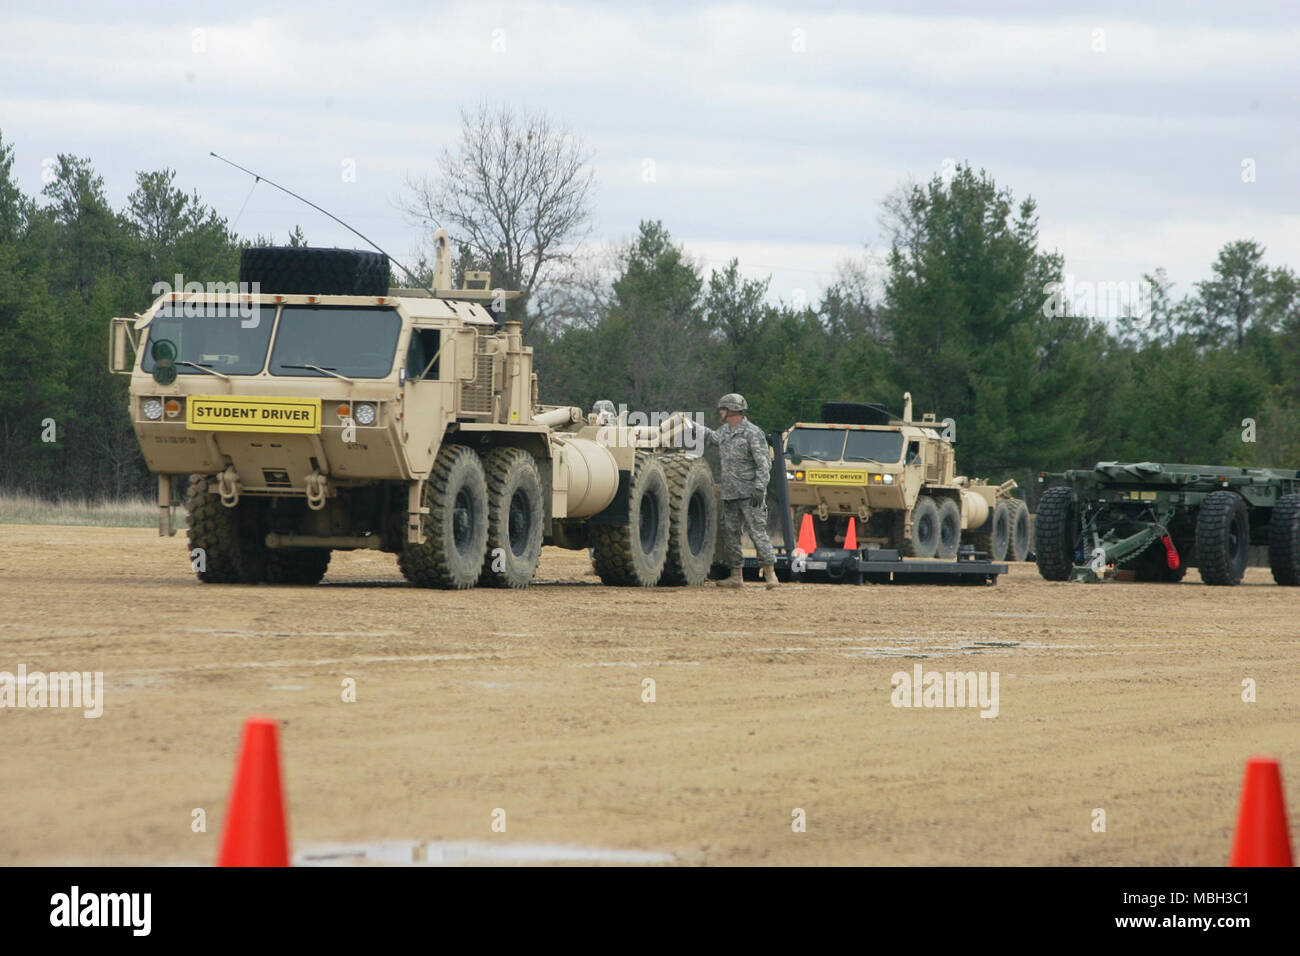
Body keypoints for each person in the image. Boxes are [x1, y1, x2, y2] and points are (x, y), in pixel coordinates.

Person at [688, 393, 779, 589]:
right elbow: (712, 438)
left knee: (757, 533)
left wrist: (759, 488)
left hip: (750, 494)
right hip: (730, 494)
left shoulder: (753, 433)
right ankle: (736, 575)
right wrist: (692, 426)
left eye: (722, 409)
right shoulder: (725, 431)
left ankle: (771, 575)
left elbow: (764, 464)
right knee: (730, 535)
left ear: (731, 410)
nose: (720, 412)